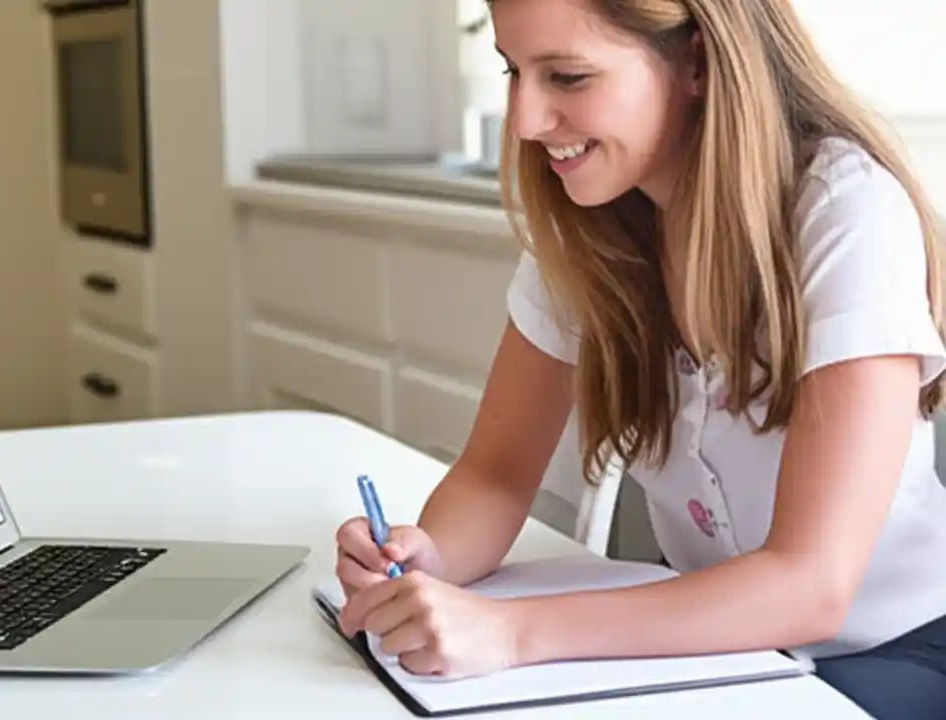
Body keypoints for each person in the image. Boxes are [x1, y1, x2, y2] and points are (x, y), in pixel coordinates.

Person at [332, 1, 946, 717]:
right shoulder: (590, 227)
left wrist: (510, 631)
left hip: (894, 650)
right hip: (718, 652)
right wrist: (424, 560)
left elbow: (811, 586)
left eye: (568, 76)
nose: (526, 121)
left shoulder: (845, 210)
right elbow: (496, 475)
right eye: (513, 71)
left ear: (696, 60)